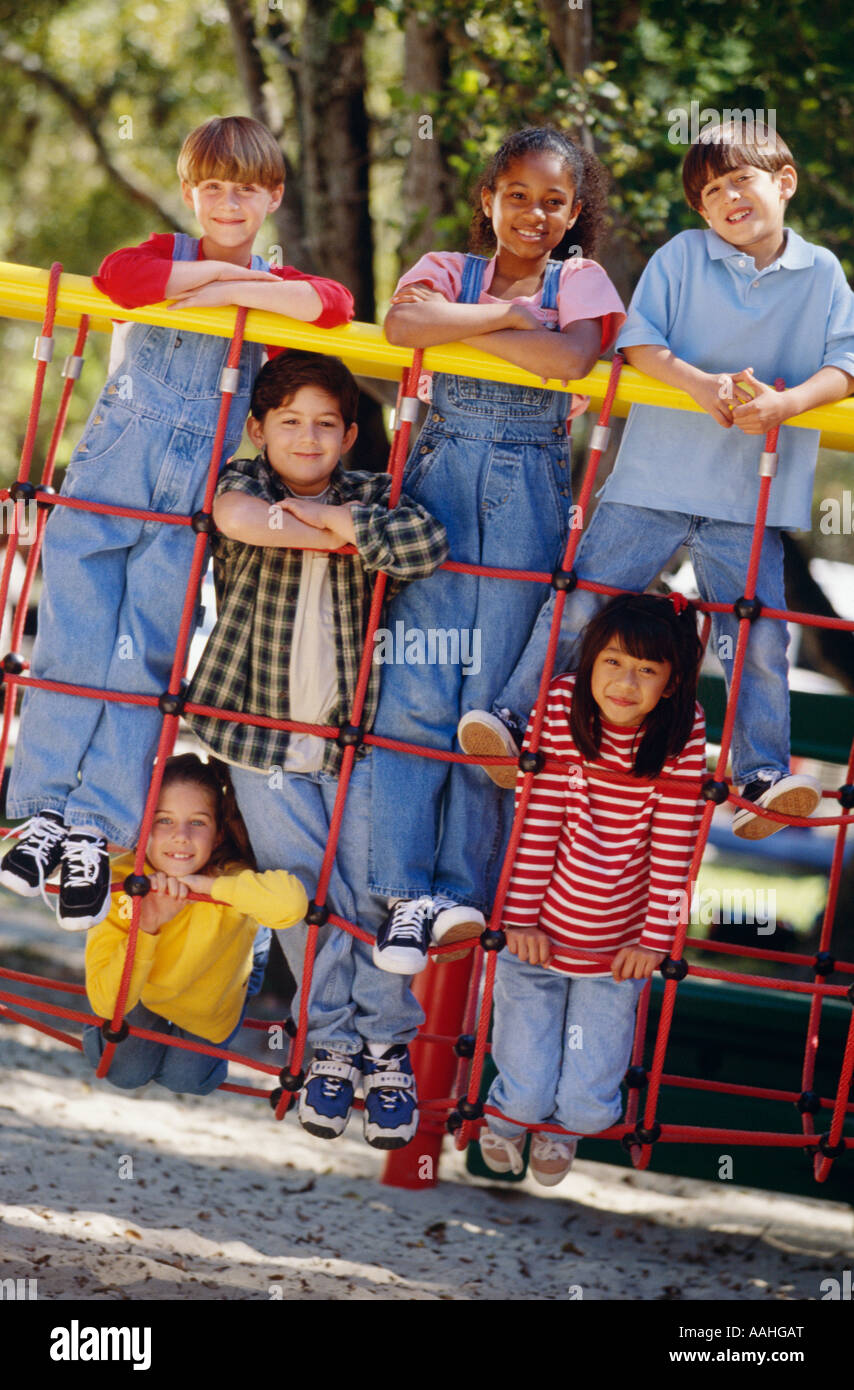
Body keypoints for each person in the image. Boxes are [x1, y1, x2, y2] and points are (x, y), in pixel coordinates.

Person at [0, 116, 353, 930]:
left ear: (274, 197)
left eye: (246, 189)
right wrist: (224, 290)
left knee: (144, 660)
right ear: (191, 192)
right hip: (113, 474)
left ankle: (97, 826)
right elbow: (120, 281)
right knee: (73, 641)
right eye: (213, 187)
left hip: (194, 497)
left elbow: (331, 305)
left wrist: (228, 289)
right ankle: (44, 806)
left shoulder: (279, 278)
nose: (228, 203)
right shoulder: (159, 255)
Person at [459, 121, 854, 840]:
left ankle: (760, 770)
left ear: (784, 183)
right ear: (700, 212)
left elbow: (846, 363)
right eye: (711, 190)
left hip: (748, 496)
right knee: (581, 600)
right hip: (654, 478)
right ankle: (515, 718)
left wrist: (787, 404)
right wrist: (702, 387)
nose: (729, 196)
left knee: (756, 634)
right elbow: (639, 342)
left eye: (743, 179)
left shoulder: (822, 273)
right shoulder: (682, 257)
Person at [368, 125, 626, 973]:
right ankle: (403, 894)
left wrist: (469, 332)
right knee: (414, 691)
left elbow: (570, 355)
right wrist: (506, 315)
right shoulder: (447, 267)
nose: (533, 213)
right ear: (490, 198)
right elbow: (404, 324)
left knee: (488, 707)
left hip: (528, 490)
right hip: (440, 478)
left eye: (554, 201)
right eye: (517, 195)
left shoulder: (579, 278)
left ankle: (458, 895)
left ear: (574, 212)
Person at [183, 351, 450, 1148]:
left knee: (371, 895)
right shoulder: (247, 481)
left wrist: (334, 521)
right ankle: (329, 1045)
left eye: (326, 424)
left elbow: (424, 544)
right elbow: (236, 519)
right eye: (290, 422)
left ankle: (386, 1047)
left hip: (350, 737)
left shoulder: (375, 493)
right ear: (259, 429)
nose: (308, 438)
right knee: (303, 898)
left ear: (351, 434)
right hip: (255, 735)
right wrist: (344, 535)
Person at [479, 594, 706, 1185]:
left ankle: (560, 1131)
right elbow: (539, 818)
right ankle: (506, 1121)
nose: (625, 682)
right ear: (591, 662)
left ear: (672, 682)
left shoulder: (683, 733)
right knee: (522, 1096)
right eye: (612, 662)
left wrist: (656, 940)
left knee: (587, 1109)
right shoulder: (561, 703)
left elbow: (675, 848)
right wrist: (520, 919)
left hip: (617, 956)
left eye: (647, 670)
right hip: (537, 945)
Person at [83, 753, 307, 1096]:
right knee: (123, 1070)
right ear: (143, 826)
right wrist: (147, 928)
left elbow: (292, 903)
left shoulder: (228, 873)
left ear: (218, 835)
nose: (181, 836)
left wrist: (208, 887)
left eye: (198, 822)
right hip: (147, 991)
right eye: (164, 820)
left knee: (188, 1079)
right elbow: (105, 1004)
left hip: (213, 993)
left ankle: (251, 958)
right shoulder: (120, 882)